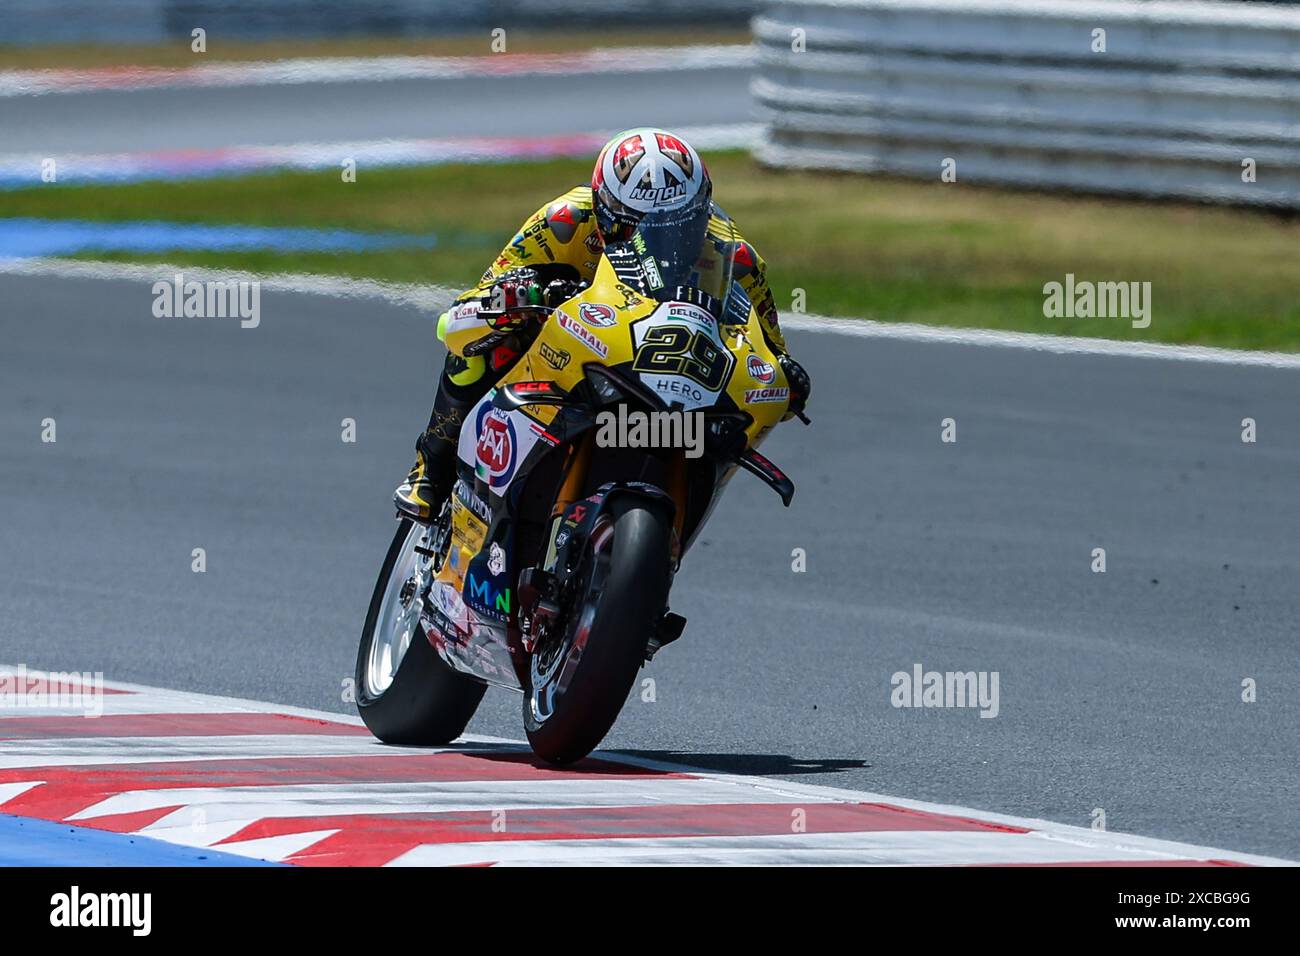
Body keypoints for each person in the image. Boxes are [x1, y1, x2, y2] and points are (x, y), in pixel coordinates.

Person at [395, 127, 811, 521]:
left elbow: (771, 348)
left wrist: (787, 376)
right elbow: (471, 309)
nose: (655, 239)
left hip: (664, 364)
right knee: (486, 340)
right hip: (576, 341)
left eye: (679, 225)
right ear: (602, 206)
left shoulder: (735, 256)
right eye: (634, 225)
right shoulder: (562, 222)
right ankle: (430, 466)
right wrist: (513, 299)